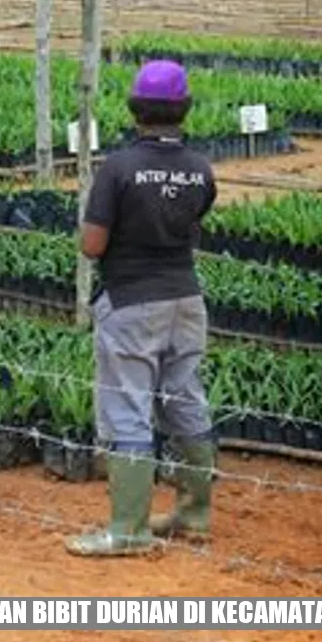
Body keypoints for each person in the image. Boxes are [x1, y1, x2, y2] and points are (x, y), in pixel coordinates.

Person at [66, 60, 218, 558]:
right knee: (185, 400)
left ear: (135, 109)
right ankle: (194, 515)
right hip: (186, 299)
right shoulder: (200, 168)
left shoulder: (118, 167)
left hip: (132, 300)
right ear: (184, 110)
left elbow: (92, 245)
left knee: (128, 407)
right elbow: (192, 223)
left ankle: (129, 531)